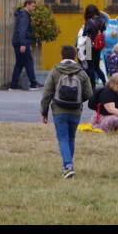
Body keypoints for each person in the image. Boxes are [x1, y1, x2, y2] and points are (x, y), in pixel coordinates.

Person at [41, 45, 91, 178]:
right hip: (75, 111)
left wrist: (44, 112)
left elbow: (47, 93)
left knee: (63, 138)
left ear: (61, 56)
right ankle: (67, 167)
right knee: (71, 138)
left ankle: (68, 165)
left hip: (59, 110)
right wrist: (78, 100)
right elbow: (89, 93)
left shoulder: (56, 71)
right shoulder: (81, 72)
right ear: (75, 56)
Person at [9, 0, 39, 90]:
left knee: (19, 63)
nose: (34, 8)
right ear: (28, 5)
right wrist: (23, 44)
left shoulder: (21, 14)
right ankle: (33, 84)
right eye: (33, 6)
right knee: (29, 61)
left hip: (18, 41)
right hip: (22, 42)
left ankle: (13, 86)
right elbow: (22, 30)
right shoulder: (24, 15)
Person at [77, 4, 106, 90]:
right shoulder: (102, 20)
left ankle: (92, 87)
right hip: (98, 45)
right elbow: (103, 31)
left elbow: (84, 34)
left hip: (89, 45)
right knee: (97, 66)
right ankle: (105, 82)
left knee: (90, 67)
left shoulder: (89, 22)